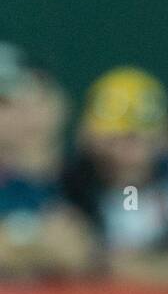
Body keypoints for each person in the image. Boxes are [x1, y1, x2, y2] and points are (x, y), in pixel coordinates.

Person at [62, 67, 168, 284]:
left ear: (163, 138)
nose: (126, 154)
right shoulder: (68, 187)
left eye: (137, 140)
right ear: (87, 136)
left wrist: (106, 265)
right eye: (114, 140)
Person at [0, 44, 96, 281]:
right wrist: (36, 241)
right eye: (8, 103)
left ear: (61, 105)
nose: (26, 114)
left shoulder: (91, 177)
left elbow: (84, 255)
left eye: (37, 100)